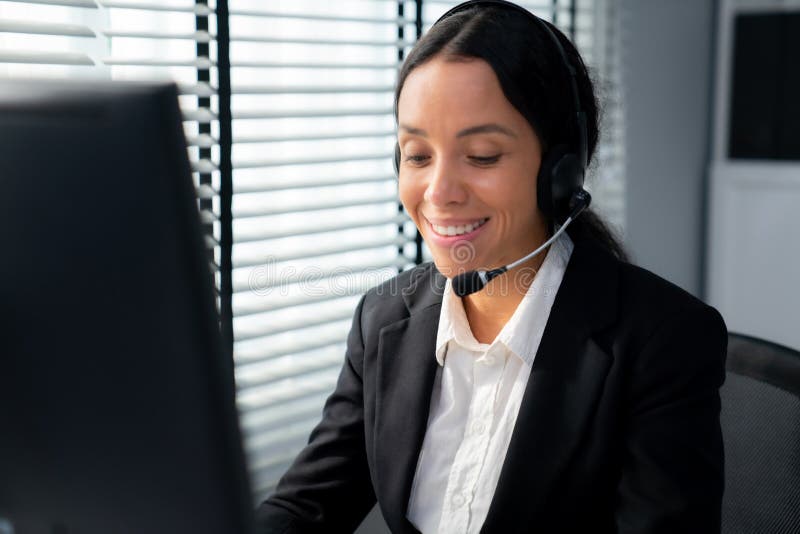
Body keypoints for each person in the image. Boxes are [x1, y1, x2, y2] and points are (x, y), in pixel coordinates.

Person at [255, 1, 728, 533]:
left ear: (560, 171)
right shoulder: (383, 320)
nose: (439, 193)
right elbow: (302, 507)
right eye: (417, 155)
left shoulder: (663, 342)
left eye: (481, 155)